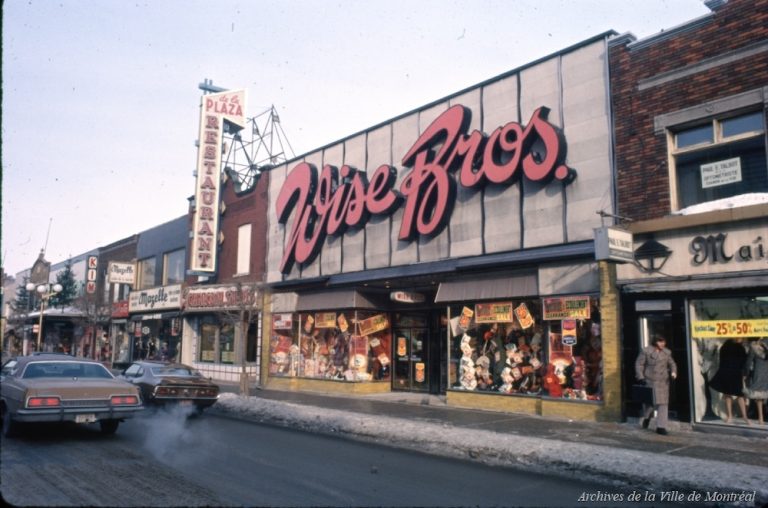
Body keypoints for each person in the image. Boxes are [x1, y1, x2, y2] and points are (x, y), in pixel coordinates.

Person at [635, 334, 677, 435]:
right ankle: (646, 418)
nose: (662, 344)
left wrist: (673, 372)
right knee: (650, 403)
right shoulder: (646, 351)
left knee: (663, 403)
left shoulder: (667, 352)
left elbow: (672, 363)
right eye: (660, 342)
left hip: (663, 381)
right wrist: (641, 377)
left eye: (663, 342)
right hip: (650, 380)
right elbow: (639, 364)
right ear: (655, 342)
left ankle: (661, 427)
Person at [709, 338, 750, 425]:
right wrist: (744, 373)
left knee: (730, 394)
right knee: (737, 395)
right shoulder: (738, 347)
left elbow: (722, 360)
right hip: (735, 372)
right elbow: (744, 361)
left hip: (729, 372)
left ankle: (733, 416)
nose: (743, 339)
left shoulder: (726, 345)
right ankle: (742, 416)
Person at [744, 339, 768, 425]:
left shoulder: (754, 346)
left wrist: (745, 373)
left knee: (759, 395)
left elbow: (749, 361)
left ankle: (761, 418)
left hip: (759, 372)